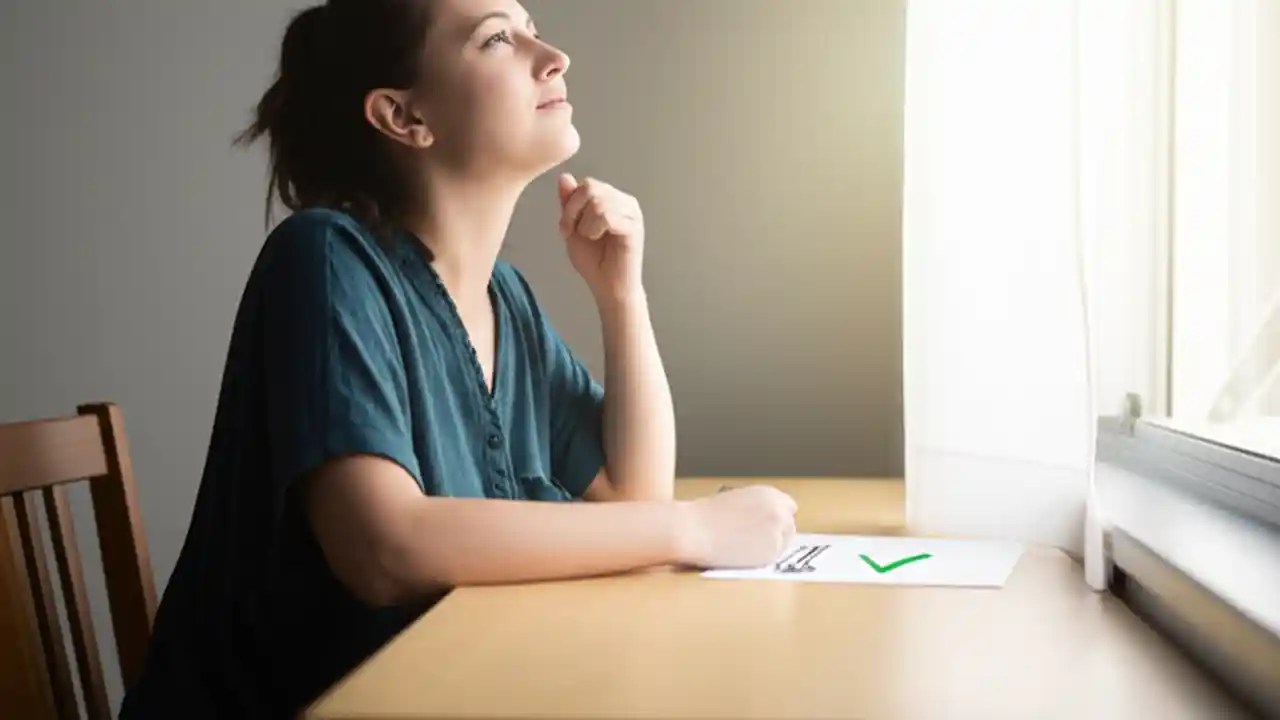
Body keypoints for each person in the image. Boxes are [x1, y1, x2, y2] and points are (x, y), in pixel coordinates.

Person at [118, 0, 797, 716]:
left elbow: (633, 498)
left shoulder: (506, 300)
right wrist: (695, 529)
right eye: (499, 37)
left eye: (533, 30)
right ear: (403, 116)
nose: (554, 57)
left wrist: (622, 297)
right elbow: (384, 547)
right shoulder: (325, 260)